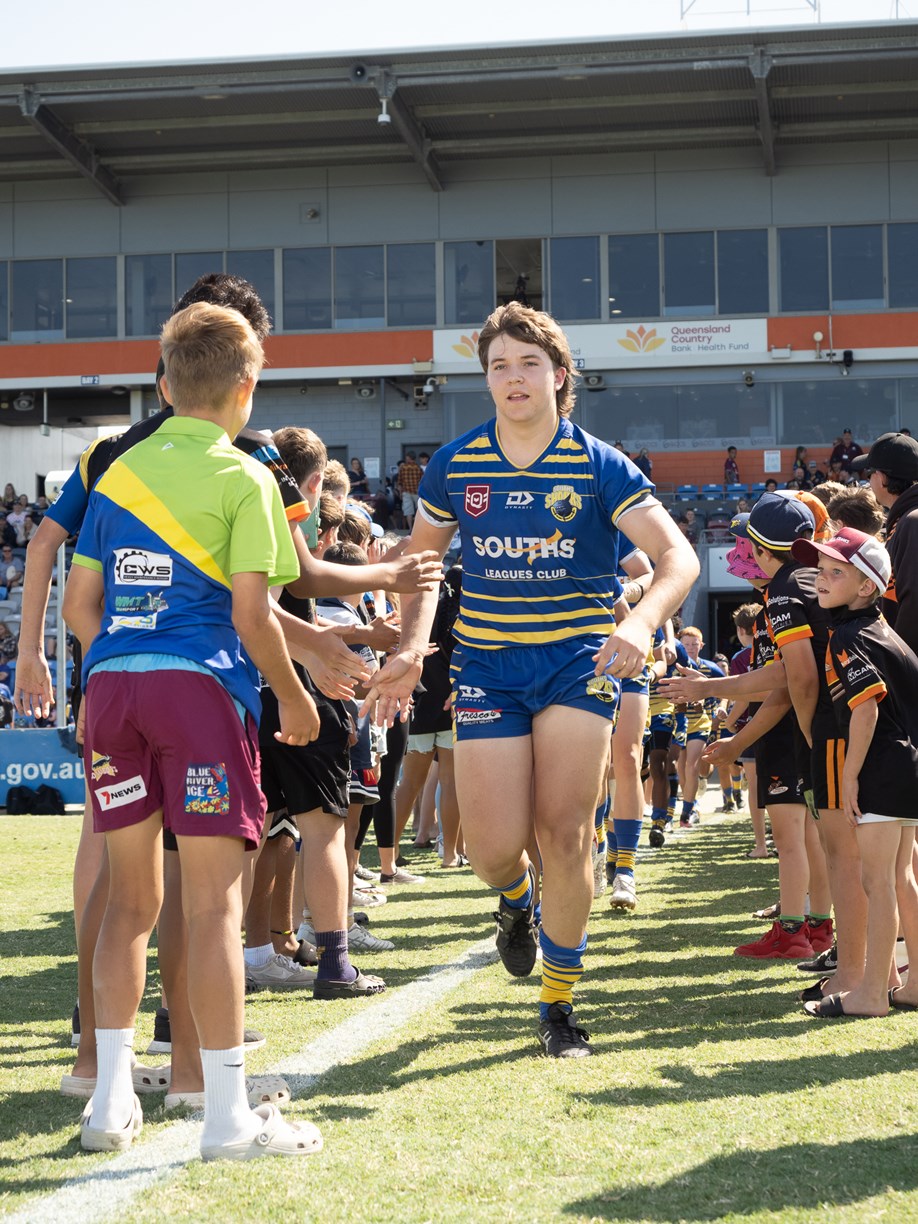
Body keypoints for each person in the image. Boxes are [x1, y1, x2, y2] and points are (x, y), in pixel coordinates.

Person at [363, 302, 698, 1058]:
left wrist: (639, 626)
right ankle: (514, 901)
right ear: (484, 379)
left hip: (577, 665)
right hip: (485, 669)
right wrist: (414, 648)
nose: (513, 378)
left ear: (560, 375)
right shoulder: (455, 464)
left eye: (528, 363)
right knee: (490, 849)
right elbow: (420, 573)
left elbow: (679, 559)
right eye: (498, 366)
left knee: (565, 832)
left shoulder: (600, 464)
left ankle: (558, 1005)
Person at [63, 302, 323, 1160]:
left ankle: (105, 1101)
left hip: (112, 692)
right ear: (247, 389)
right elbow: (256, 614)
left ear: (165, 384)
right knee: (210, 906)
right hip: (200, 692)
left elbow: (78, 609)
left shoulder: (117, 475)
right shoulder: (247, 475)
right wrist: (292, 695)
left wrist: (124, 667)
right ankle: (225, 1118)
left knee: (128, 903)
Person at [791, 528, 918, 1018]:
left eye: (835, 572)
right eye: (821, 571)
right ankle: (910, 984)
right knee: (903, 879)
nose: (821, 580)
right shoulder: (890, 634)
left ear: (867, 586)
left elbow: (865, 710)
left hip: (881, 772)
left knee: (878, 884)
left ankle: (869, 995)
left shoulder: (847, 636)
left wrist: (849, 777)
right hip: (905, 770)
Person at [851, 432, 918, 655]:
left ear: (883, 478)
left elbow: (913, 602)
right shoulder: (906, 519)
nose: (868, 482)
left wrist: (898, 664)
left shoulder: (912, 521)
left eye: (870, 474)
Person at [398, 451, 422, 530]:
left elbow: (400, 482)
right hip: (417, 492)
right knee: (419, 510)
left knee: (408, 511)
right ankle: (418, 528)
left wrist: (400, 493)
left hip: (406, 492)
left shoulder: (403, 468)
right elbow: (423, 481)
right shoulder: (418, 468)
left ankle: (410, 529)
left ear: (408, 458)